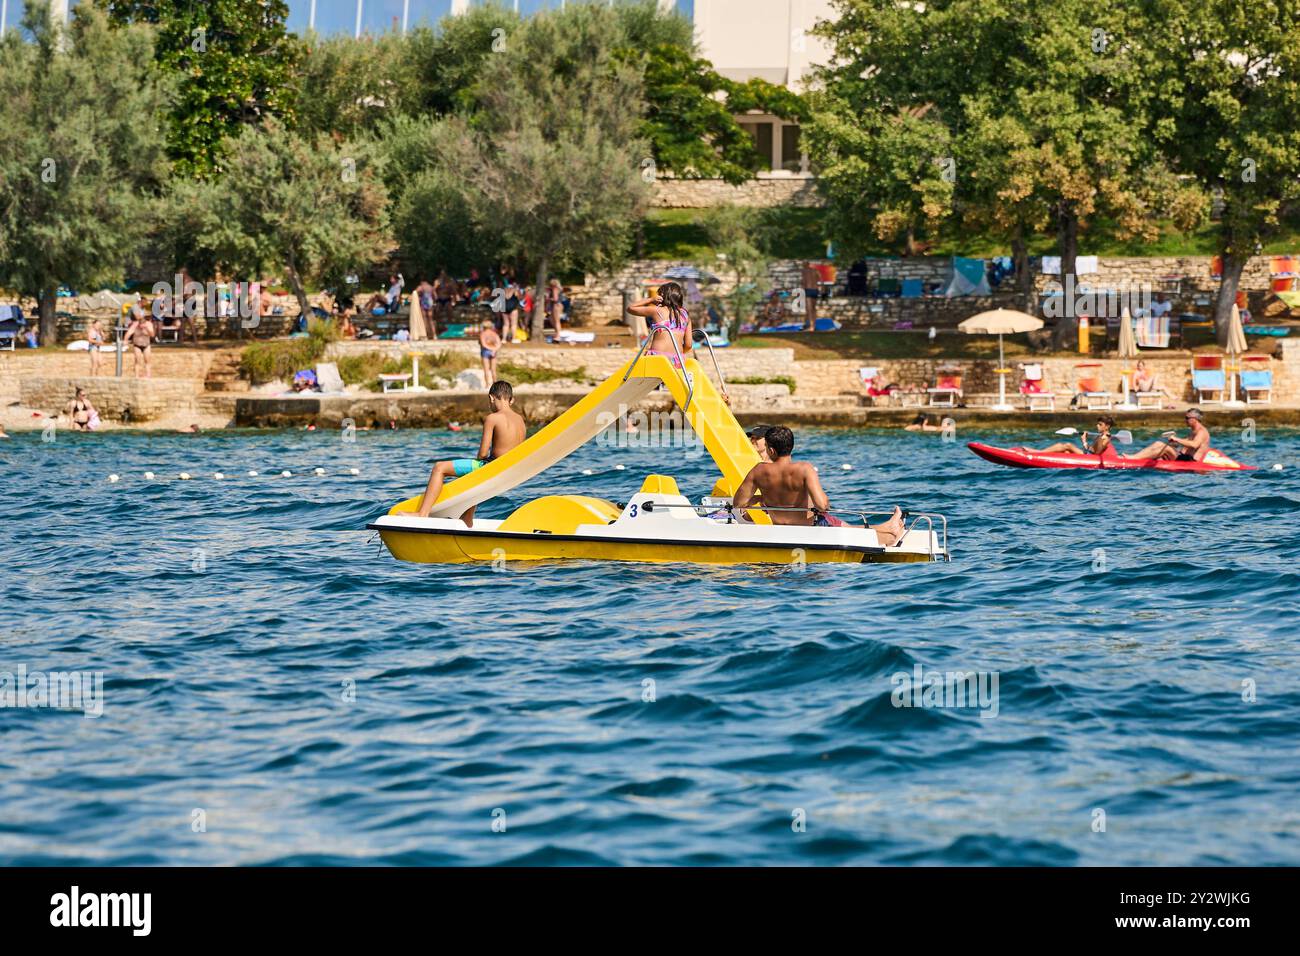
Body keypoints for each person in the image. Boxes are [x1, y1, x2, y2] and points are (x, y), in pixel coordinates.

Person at [732, 426, 905, 543]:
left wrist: (761, 497)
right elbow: (823, 505)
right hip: (810, 528)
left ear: (770, 450)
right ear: (791, 446)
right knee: (880, 538)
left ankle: (889, 526)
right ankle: (891, 533)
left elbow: (738, 503)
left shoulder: (758, 471)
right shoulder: (804, 469)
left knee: (842, 525)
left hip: (782, 529)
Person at [402, 380, 527, 526]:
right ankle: (466, 519)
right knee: (472, 476)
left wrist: (483, 459)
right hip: (509, 471)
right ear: (511, 399)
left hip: (492, 468)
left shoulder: (492, 418)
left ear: (491, 398)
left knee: (439, 468)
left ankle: (422, 514)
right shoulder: (520, 420)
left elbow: (482, 454)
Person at [627, 281, 691, 366]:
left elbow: (630, 308)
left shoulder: (657, 310)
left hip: (657, 357)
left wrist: (650, 299)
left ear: (662, 296)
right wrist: (676, 353)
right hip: (677, 360)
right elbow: (688, 345)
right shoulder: (685, 316)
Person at [1129, 407, 1210, 461]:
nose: (1185, 420)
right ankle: (1135, 457)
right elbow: (1186, 442)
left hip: (1190, 460)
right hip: (1182, 456)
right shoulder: (1193, 430)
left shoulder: (1201, 432)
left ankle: (1134, 458)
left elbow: (1194, 445)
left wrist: (1177, 439)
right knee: (1158, 443)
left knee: (1166, 448)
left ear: (1194, 419)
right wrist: (1174, 442)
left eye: (1187, 418)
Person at [1027, 416, 1118, 457]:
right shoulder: (1100, 436)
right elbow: (1091, 450)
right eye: (1097, 424)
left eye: (1100, 424)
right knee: (1066, 451)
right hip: (1089, 454)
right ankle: (1041, 454)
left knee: (1068, 445)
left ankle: (1038, 453)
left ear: (1107, 426)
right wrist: (1084, 440)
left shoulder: (1106, 437)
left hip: (1091, 457)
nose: (1097, 426)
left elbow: (1097, 453)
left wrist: (1102, 440)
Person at [124, 302, 155, 378]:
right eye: (141, 326)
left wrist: (147, 330)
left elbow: (152, 335)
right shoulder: (135, 325)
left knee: (147, 360)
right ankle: (136, 376)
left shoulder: (148, 325)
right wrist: (125, 341)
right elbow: (129, 333)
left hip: (146, 345)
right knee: (137, 361)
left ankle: (148, 375)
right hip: (137, 345)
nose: (141, 327)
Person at [478, 319, 501, 386]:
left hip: (485, 351)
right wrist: (494, 350)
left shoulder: (483, 334)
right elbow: (499, 344)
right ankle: (495, 385)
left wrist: (490, 349)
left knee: (486, 370)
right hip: (493, 351)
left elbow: (483, 344)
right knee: (493, 370)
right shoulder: (494, 334)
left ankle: (487, 385)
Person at [800, 262, 820, 331]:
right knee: (813, 309)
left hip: (808, 290)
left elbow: (803, 282)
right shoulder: (815, 271)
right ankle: (808, 324)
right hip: (815, 290)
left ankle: (812, 326)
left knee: (809, 309)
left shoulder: (804, 271)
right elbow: (820, 280)